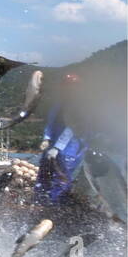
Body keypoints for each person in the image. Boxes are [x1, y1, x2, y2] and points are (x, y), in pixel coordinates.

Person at [35, 73, 88, 206]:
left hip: (70, 147)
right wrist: (46, 139)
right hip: (52, 145)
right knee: (44, 172)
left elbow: (71, 129)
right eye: (66, 86)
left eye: (72, 87)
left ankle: (56, 205)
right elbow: (50, 123)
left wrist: (58, 147)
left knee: (62, 176)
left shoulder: (80, 107)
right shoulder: (58, 105)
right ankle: (39, 201)